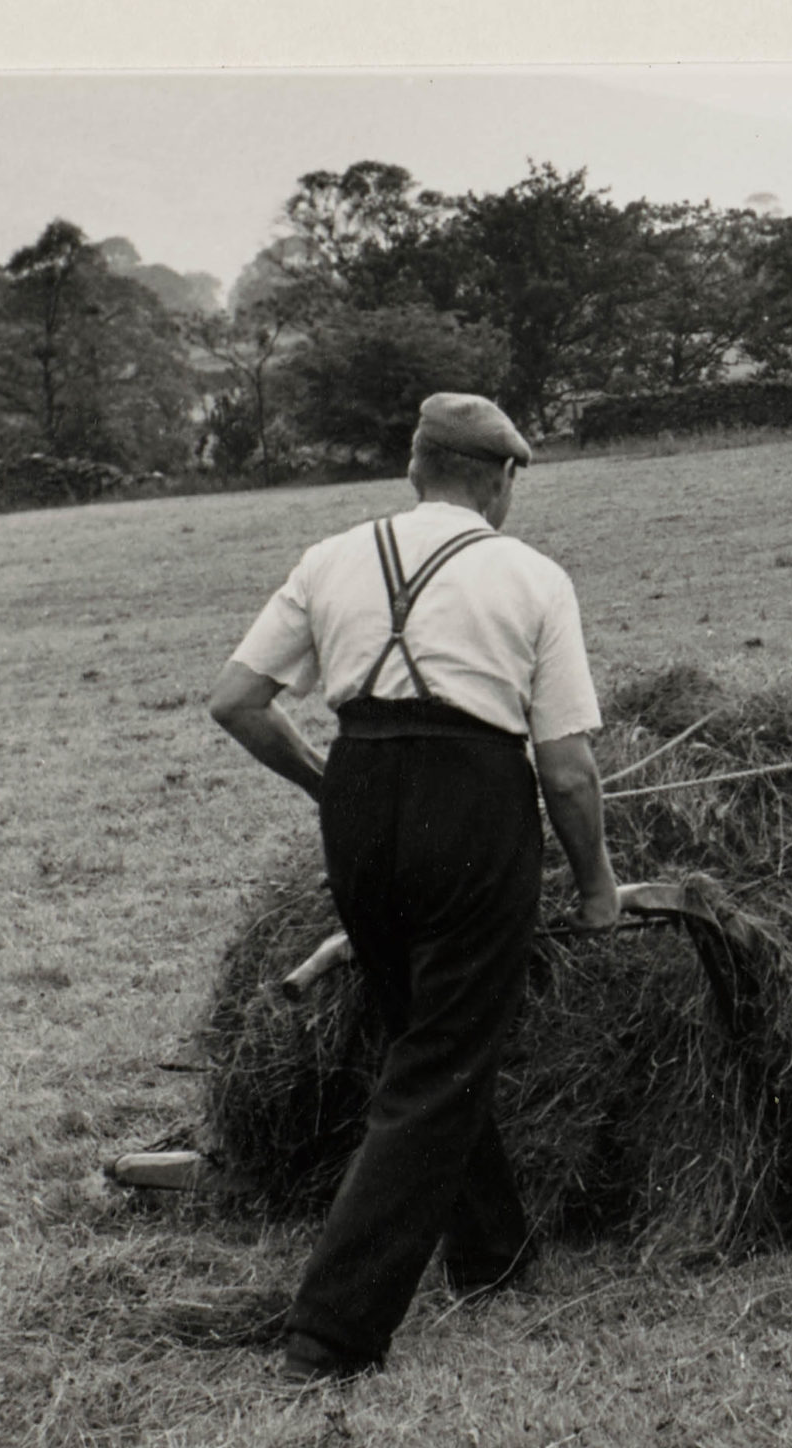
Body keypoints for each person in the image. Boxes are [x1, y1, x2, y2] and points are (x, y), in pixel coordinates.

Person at [208, 392, 623, 1382]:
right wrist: (598, 884)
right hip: (472, 807)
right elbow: (564, 766)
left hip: (360, 801)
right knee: (441, 1058)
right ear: (501, 478)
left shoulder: (330, 557)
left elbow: (237, 701)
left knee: (420, 1035)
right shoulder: (529, 575)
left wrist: (328, 785)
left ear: (413, 469)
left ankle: (494, 1252)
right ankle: (334, 1327)